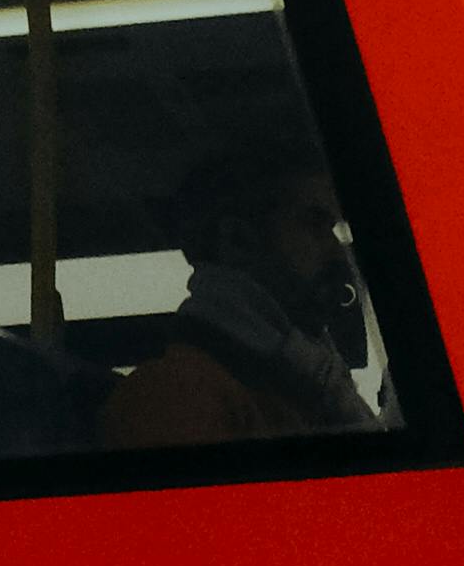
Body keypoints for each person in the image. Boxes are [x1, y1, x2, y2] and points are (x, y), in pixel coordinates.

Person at [100, 137, 378, 448]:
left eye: (333, 229)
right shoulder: (172, 397)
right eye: (314, 225)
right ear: (237, 241)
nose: (337, 252)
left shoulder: (304, 384)